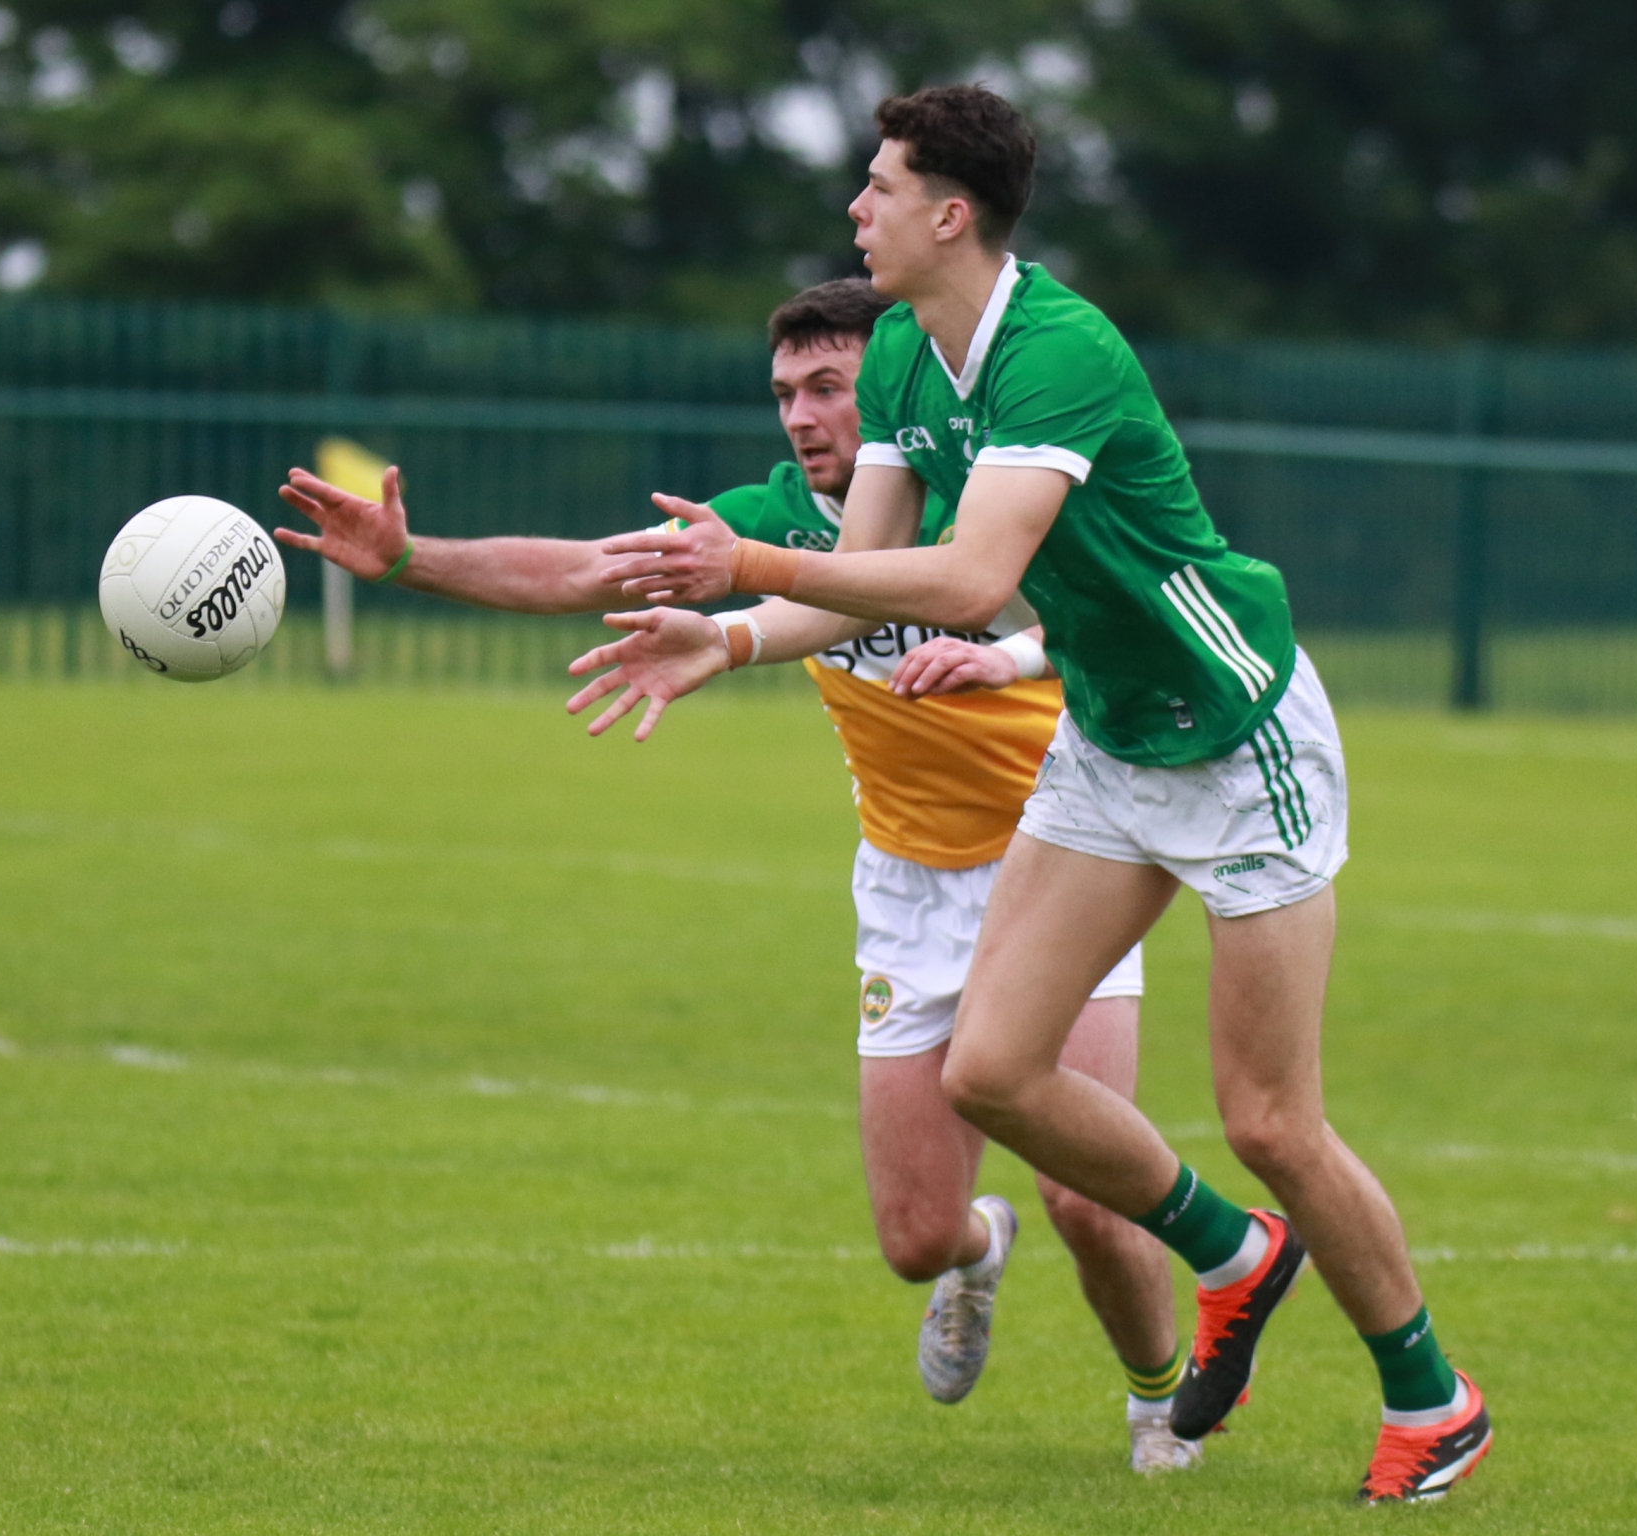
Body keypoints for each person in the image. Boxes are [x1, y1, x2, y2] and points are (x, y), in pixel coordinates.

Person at [576, 85, 1492, 1504]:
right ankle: (1235, 1254)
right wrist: (735, 635)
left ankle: (1434, 1400)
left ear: (952, 214)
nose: (855, 209)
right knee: (990, 1071)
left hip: (1236, 733)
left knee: (1269, 1121)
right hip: (1111, 744)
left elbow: (969, 582)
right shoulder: (900, 351)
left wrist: (747, 568)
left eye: (880, 186)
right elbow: (858, 576)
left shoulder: (1057, 349)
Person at [271, 278, 1203, 1476]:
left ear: (895, 386)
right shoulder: (771, 523)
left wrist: (1012, 655)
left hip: (1063, 864)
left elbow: (1097, 603)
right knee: (914, 1239)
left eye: (830, 388)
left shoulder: (993, 494)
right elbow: (585, 571)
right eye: (785, 393)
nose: (802, 417)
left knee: (1089, 1194)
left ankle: (1160, 1406)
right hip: (908, 889)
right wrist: (408, 559)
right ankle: (979, 1252)